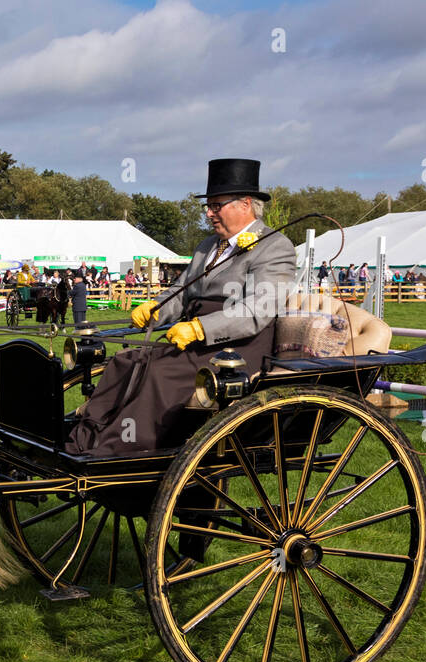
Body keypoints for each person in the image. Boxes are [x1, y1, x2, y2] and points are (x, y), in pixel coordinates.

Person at [66, 158, 295, 456]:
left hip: (236, 350)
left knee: (158, 373)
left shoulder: (275, 246)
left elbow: (257, 310)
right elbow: (181, 292)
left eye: (216, 205)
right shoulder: (207, 246)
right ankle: (84, 439)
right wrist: (157, 309)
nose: (209, 214)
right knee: (125, 362)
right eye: (208, 206)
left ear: (245, 204)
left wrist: (202, 327)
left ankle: (117, 452)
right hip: (194, 341)